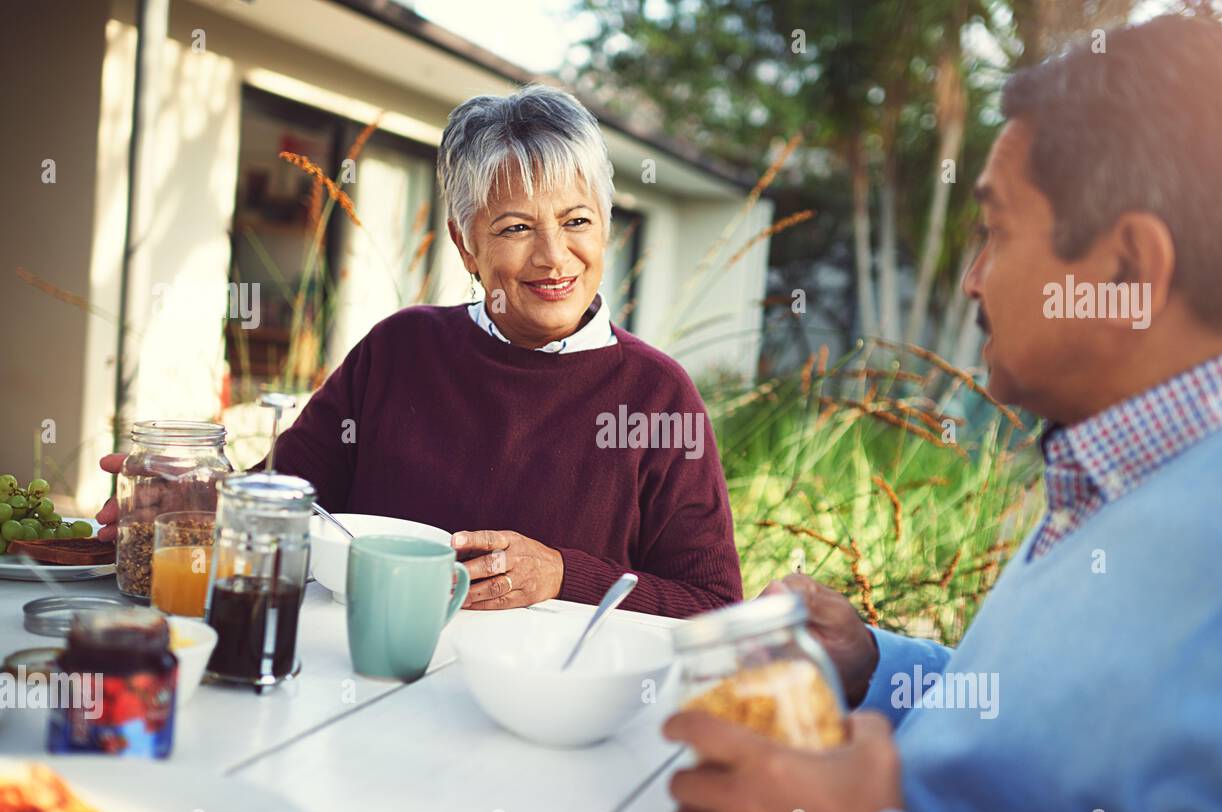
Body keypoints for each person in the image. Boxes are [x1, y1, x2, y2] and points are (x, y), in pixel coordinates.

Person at [664, 15, 1222, 812]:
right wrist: (876, 666)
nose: (970, 280)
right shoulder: (1127, 463)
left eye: (995, 231)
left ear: (1126, 272)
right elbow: (1057, 739)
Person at [96, 85, 742, 618]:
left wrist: (564, 575)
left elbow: (710, 603)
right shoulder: (400, 349)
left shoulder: (658, 395)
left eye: (576, 220)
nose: (553, 256)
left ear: (604, 224)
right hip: (362, 684)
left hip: (542, 721)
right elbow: (283, 503)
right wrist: (189, 500)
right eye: (515, 228)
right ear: (466, 245)